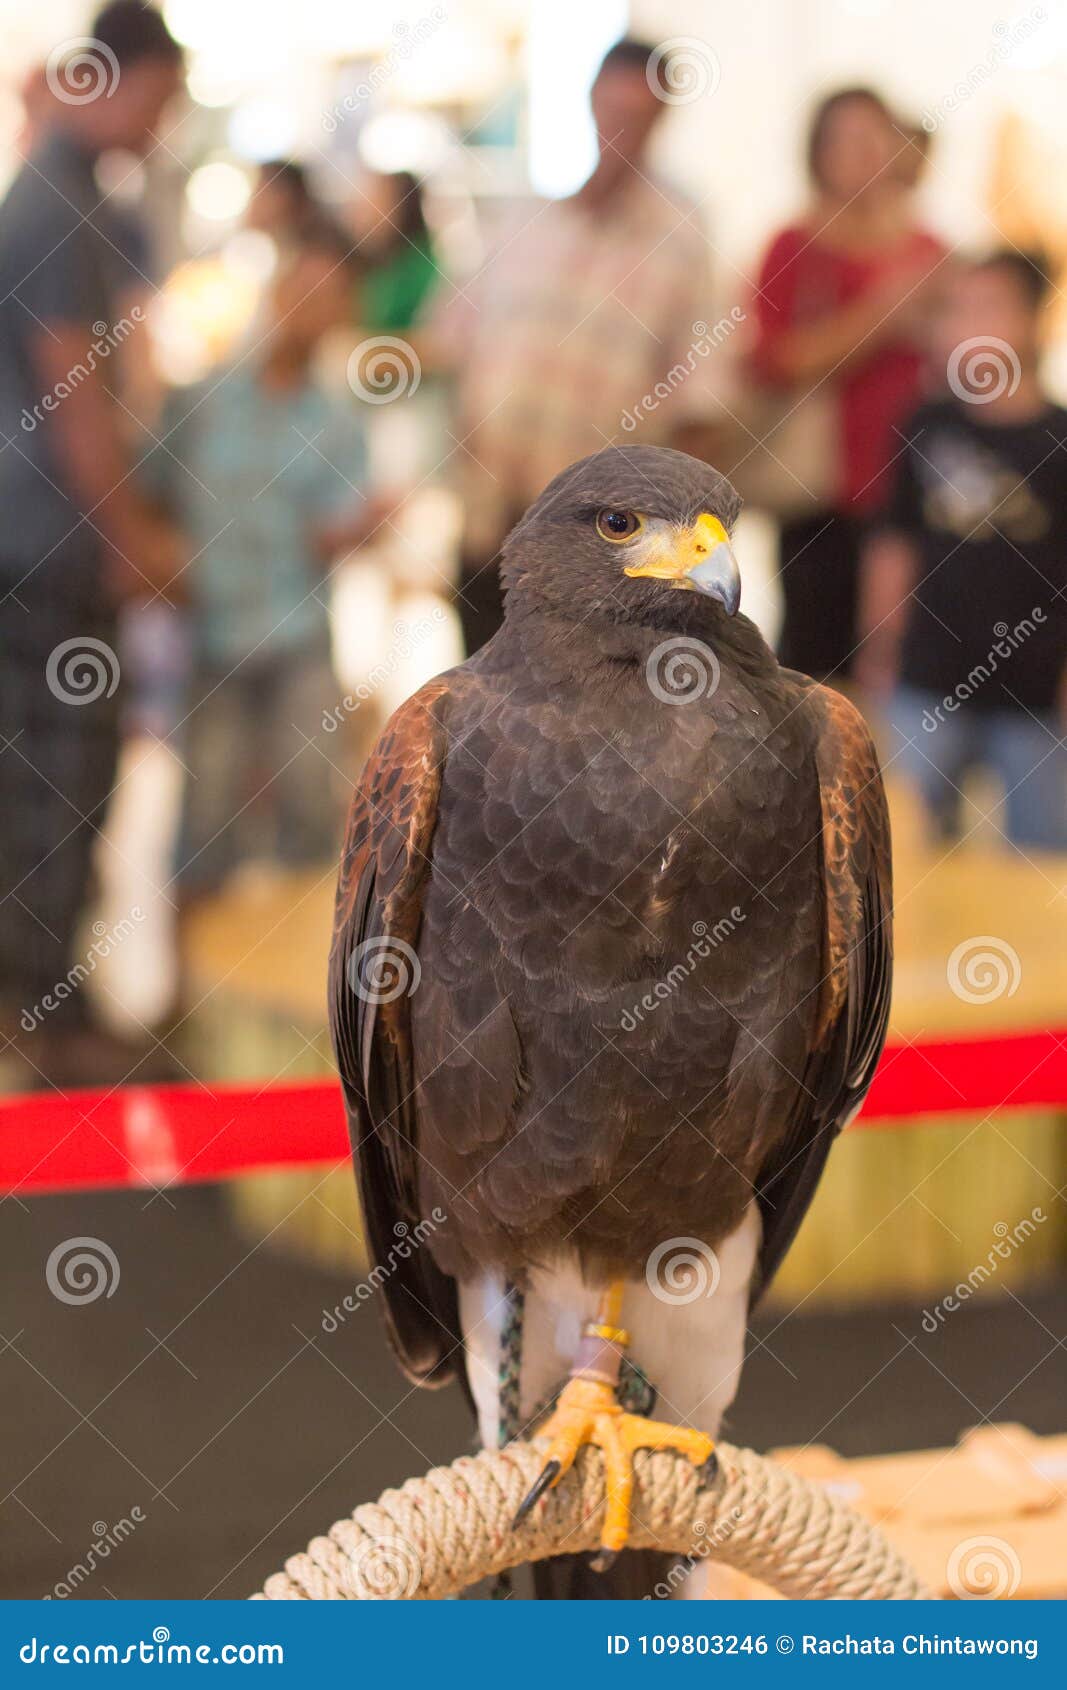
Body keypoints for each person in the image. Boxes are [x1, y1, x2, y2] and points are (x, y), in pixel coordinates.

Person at [0, 1, 185, 1087]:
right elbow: (78, 400)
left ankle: (38, 998)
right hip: (51, 544)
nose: (160, 127)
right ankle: (50, 1013)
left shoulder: (56, 194)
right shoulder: (56, 207)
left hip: (33, 539)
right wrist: (135, 532)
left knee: (43, 769)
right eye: (156, 102)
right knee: (64, 775)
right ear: (111, 82)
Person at [427, 37, 714, 654]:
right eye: (612, 110)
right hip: (492, 526)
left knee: (588, 728)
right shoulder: (521, 222)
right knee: (483, 714)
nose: (622, 129)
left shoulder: (684, 241)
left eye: (639, 115)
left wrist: (668, 553)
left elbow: (702, 402)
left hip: (601, 553)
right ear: (589, 104)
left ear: (663, 117)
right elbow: (448, 345)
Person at [142, 228, 382, 912]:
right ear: (277, 293)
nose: (311, 306)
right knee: (206, 812)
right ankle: (186, 996)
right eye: (300, 288)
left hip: (296, 633)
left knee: (310, 799)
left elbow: (335, 530)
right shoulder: (202, 401)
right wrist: (160, 559)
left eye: (329, 296)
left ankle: (297, 988)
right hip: (213, 632)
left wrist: (361, 528)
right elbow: (148, 492)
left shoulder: (338, 423)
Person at [860, 251, 1067, 851]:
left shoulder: (1058, 438)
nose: (969, 325)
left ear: (1032, 321)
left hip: (1036, 693)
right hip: (927, 679)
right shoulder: (926, 423)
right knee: (902, 847)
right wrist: (880, 644)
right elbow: (892, 542)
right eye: (957, 309)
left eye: (990, 307)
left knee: (1045, 854)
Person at [750, 87, 945, 682]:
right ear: (819, 152)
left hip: (912, 489)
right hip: (820, 490)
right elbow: (773, 361)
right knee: (813, 659)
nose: (864, 154)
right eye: (846, 139)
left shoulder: (929, 250)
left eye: (875, 137)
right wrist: (883, 315)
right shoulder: (795, 246)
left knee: (904, 659)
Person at [349, 171, 438, 334]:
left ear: (405, 207)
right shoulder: (379, 264)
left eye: (377, 203)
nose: (362, 215)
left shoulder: (422, 267)